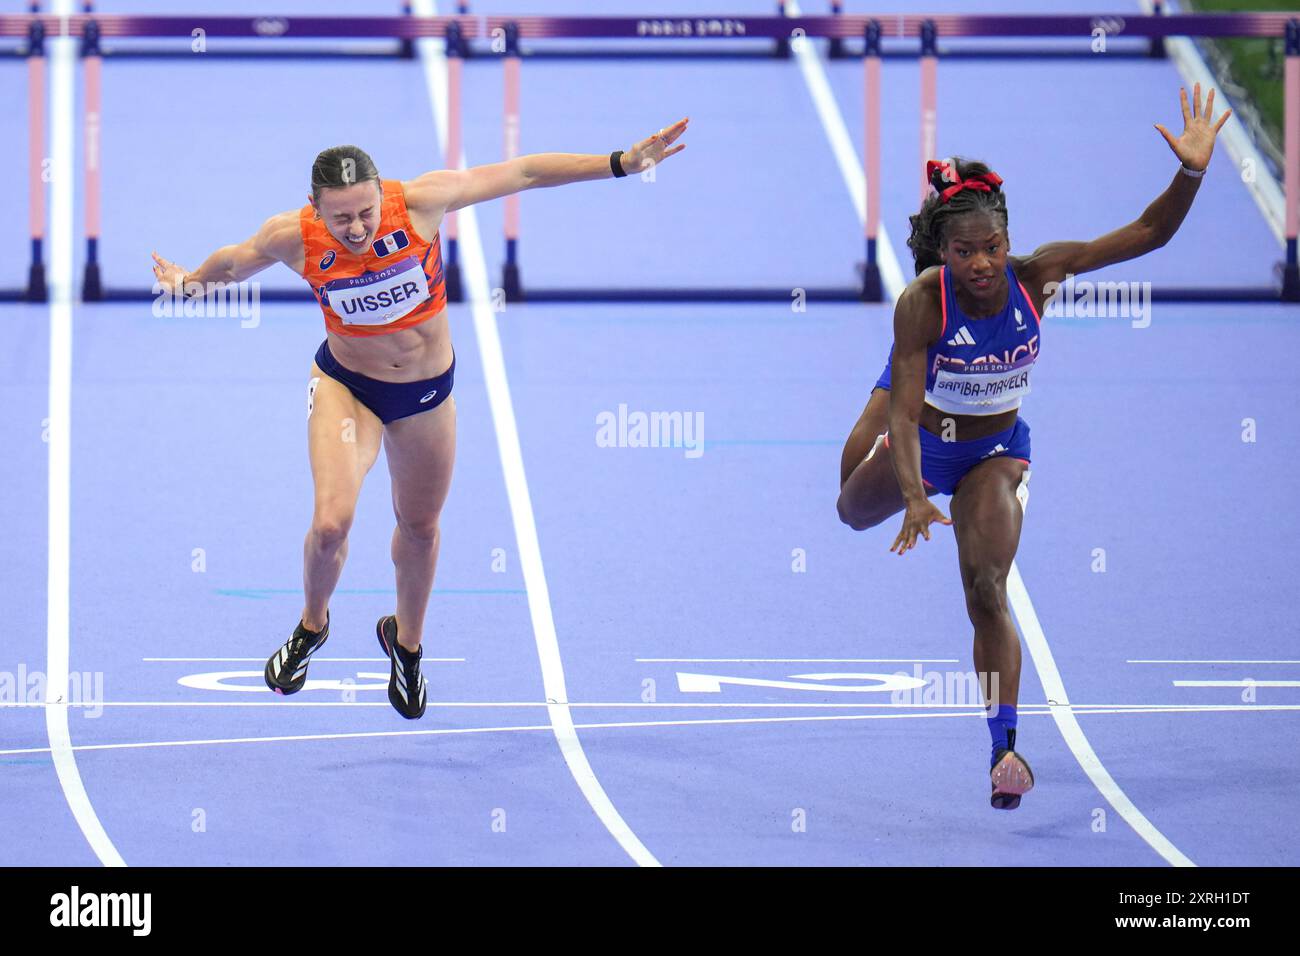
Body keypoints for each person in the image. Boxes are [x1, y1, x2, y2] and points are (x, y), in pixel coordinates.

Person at [151, 119, 689, 718]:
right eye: (341, 219)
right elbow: (231, 264)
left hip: (426, 395)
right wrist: (185, 286)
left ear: (383, 195)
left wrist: (619, 162)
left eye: (366, 213)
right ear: (315, 210)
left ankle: (405, 645)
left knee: (420, 529)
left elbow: (525, 172)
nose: (356, 229)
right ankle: (312, 626)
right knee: (331, 524)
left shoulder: (423, 203)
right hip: (346, 386)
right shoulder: (291, 238)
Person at [837, 86, 1228, 809]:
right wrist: (916, 495)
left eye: (991, 247)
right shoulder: (924, 301)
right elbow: (906, 399)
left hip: (995, 455)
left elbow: (1149, 232)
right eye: (965, 251)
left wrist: (1192, 173)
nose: (981, 262)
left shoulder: (1038, 276)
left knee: (986, 590)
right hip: (924, 436)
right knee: (848, 507)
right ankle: (887, 472)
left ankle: (1004, 750)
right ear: (942, 252)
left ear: (1007, 241)